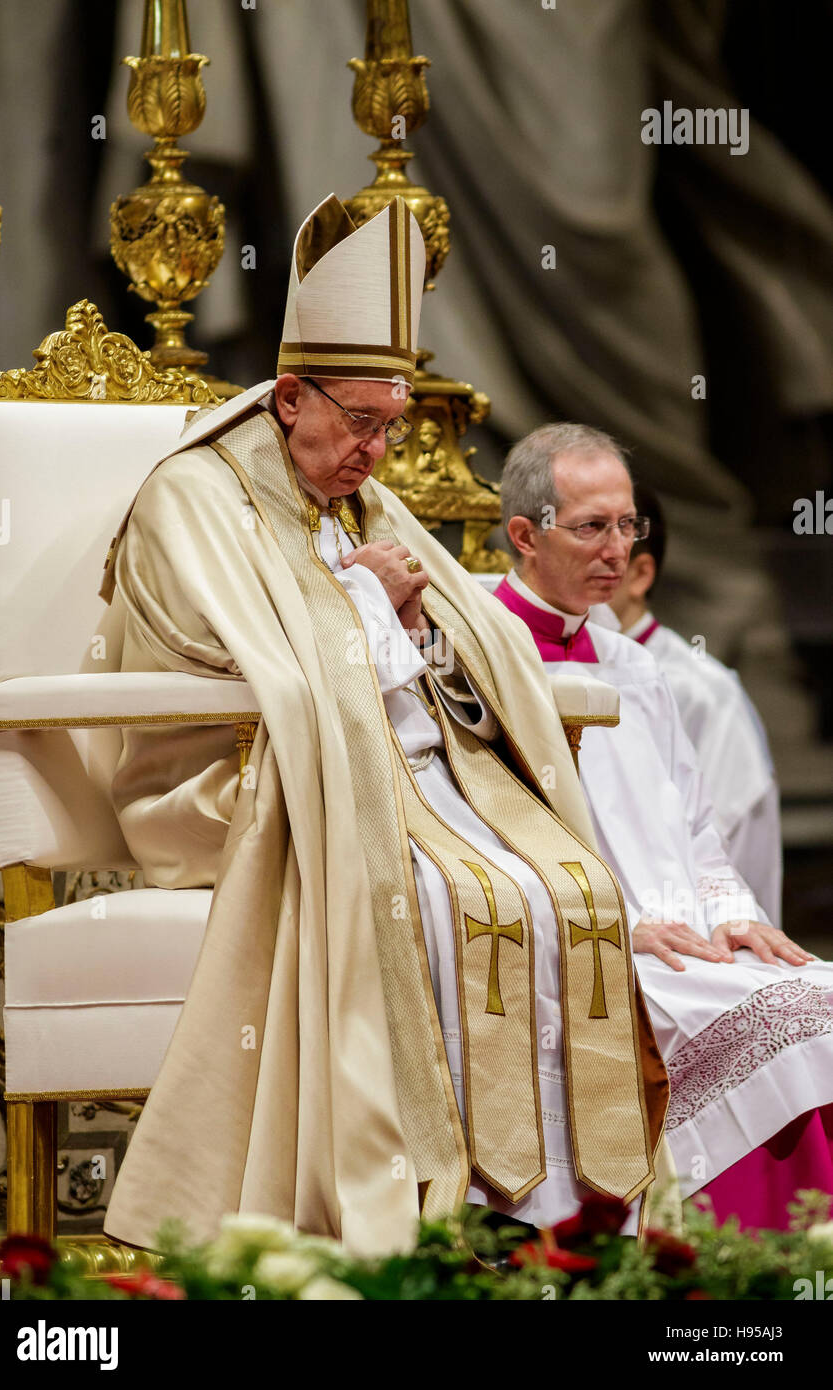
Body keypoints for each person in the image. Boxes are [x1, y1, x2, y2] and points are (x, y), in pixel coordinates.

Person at [96, 200, 669, 1258]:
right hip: (246, 781)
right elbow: (246, 675)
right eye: (357, 421)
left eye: (389, 426)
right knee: (456, 899)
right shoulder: (194, 496)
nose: (375, 449)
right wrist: (359, 605)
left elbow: (457, 658)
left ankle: (559, 1216)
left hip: (410, 774)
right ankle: (417, 1206)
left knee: (571, 889)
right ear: (286, 398)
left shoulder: (365, 501)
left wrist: (404, 624)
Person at [494, 422, 833, 1229]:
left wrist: (736, 915)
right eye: (591, 527)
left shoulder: (637, 668)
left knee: (816, 994)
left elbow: (696, 829)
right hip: (571, 945)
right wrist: (613, 923)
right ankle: (732, 1256)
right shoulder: (477, 652)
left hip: (678, 939)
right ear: (524, 534)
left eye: (627, 526)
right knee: (792, 1020)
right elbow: (469, 831)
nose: (617, 549)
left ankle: (795, 1255)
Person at [598, 484, 782, 928]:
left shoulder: (701, 691)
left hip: (687, 937)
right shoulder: (540, 663)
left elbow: (722, 851)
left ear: (639, 575)